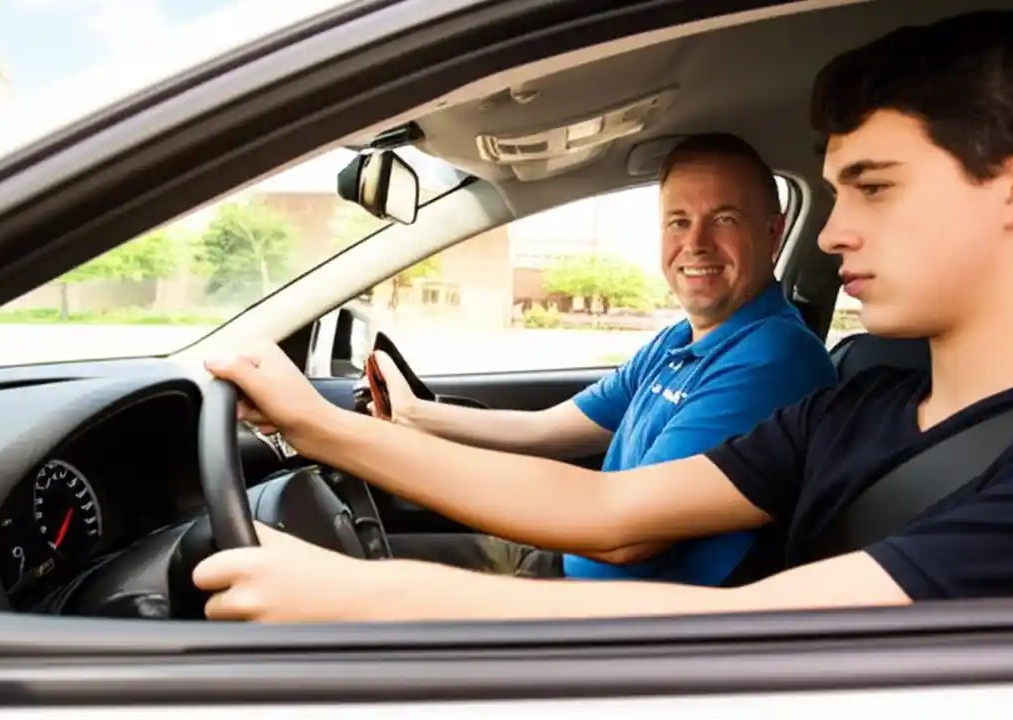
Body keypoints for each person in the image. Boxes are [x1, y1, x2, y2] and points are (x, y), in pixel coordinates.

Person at [193, 5, 1013, 623]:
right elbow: (606, 507)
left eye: (875, 187)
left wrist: (361, 597)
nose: (832, 235)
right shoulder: (855, 407)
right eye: (836, 194)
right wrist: (319, 425)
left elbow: (760, 632)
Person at [359, 133, 837, 587]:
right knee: (361, 557)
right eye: (678, 221)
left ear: (773, 232)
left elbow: (625, 536)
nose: (696, 243)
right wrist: (413, 415)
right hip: (569, 565)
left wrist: (358, 443)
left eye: (725, 219)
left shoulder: (774, 358)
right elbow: (544, 430)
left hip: (612, 618)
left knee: (363, 588)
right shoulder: (679, 341)